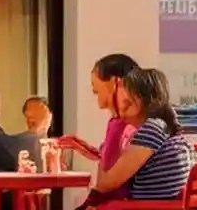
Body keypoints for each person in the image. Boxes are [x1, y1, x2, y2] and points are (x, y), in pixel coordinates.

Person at [91, 68, 194, 204]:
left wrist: (108, 147)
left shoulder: (151, 130)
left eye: (126, 103)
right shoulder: (168, 130)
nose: (122, 113)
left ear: (140, 99)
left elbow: (106, 185)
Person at [58, 53, 140, 202]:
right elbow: (116, 161)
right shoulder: (130, 122)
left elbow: (107, 180)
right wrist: (85, 149)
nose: (93, 89)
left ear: (114, 83)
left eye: (96, 88)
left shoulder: (123, 124)